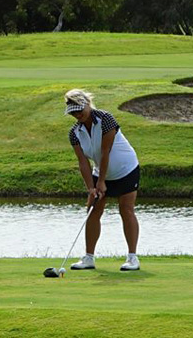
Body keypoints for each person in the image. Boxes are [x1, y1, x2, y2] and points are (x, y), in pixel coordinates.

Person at [63, 88, 142, 272]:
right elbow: (83, 162)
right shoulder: (75, 132)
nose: (77, 114)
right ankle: (88, 258)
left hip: (126, 168)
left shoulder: (105, 119)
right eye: (73, 111)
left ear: (88, 104)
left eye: (79, 109)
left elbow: (105, 152)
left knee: (126, 209)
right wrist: (91, 187)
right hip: (100, 171)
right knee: (93, 209)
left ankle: (132, 258)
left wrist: (101, 182)